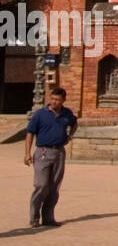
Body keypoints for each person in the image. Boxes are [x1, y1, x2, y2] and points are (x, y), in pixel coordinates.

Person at [25, 86, 78, 227]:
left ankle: (48, 217)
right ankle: (34, 217)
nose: (54, 102)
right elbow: (30, 133)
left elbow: (74, 122)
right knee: (41, 185)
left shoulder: (67, 113)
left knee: (54, 187)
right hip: (43, 152)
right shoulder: (40, 114)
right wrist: (27, 153)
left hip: (59, 152)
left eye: (57, 100)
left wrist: (69, 136)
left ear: (63, 100)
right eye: (52, 99)